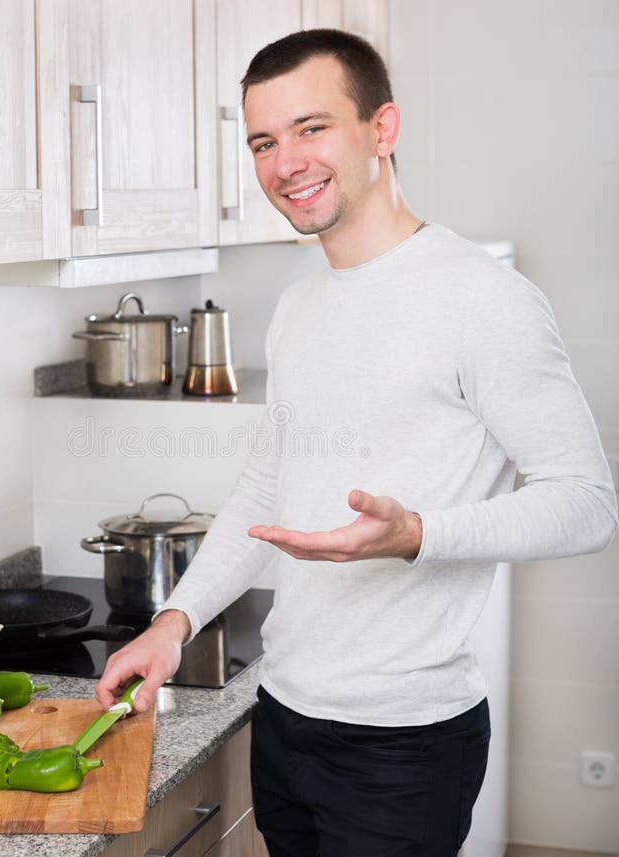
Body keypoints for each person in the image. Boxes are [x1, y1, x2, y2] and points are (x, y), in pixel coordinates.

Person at [95, 28, 617, 856]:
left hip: (403, 746)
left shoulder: (486, 300)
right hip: (287, 716)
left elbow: (588, 504)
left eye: (312, 128)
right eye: (265, 141)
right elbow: (265, 492)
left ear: (383, 129)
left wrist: (418, 533)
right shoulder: (302, 306)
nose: (285, 162)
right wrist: (173, 620)